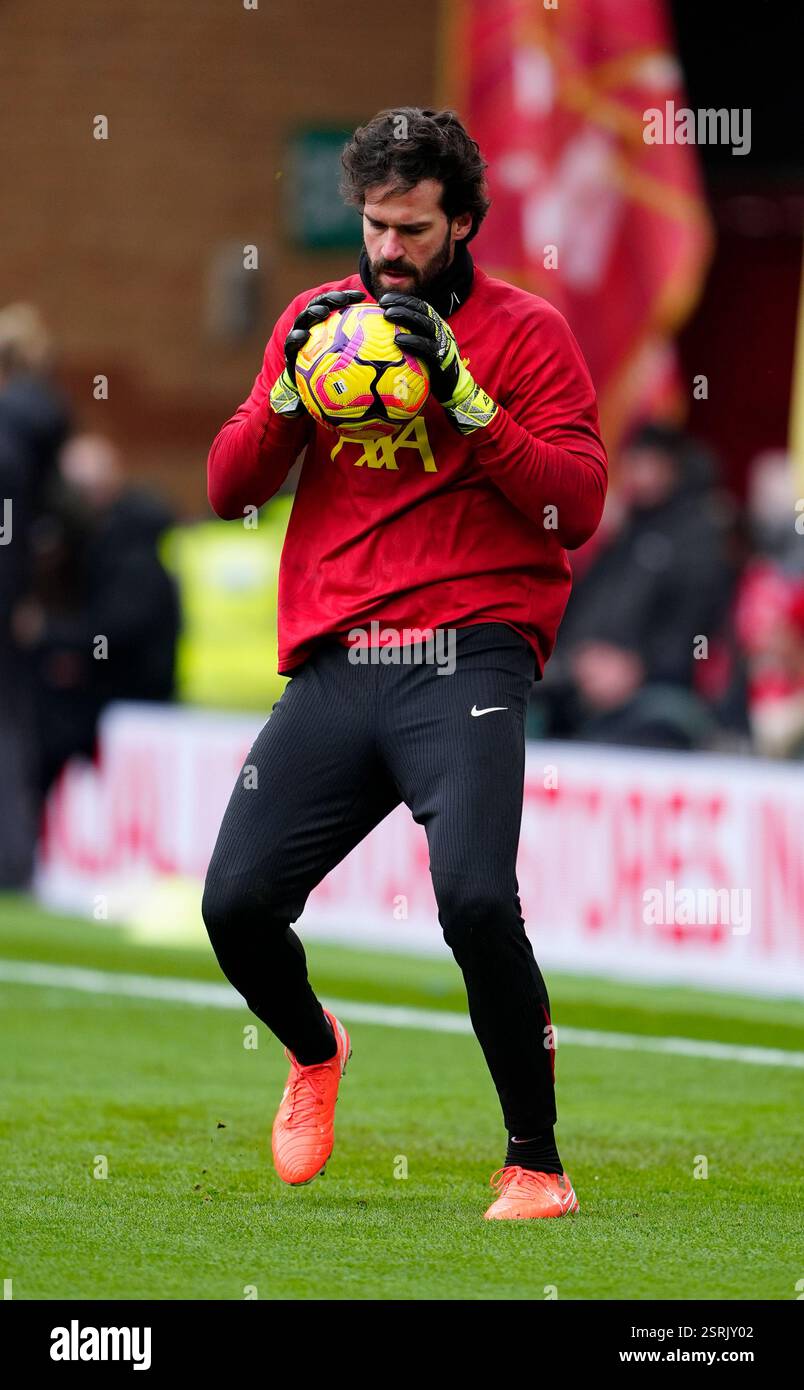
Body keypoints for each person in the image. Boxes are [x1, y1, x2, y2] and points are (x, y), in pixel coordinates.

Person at [202, 107, 608, 1220]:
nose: (388, 250)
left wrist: (468, 398)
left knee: (477, 900)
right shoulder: (316, 321)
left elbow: (575, 504)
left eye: (414, 229)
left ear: (464, 222)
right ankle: (316, 1048)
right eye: (377, 225)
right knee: (235, 906)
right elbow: (229, 489)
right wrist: (287, 389)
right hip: (340, 663)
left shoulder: (526, 334)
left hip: (467, 657)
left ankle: (536, 1163)